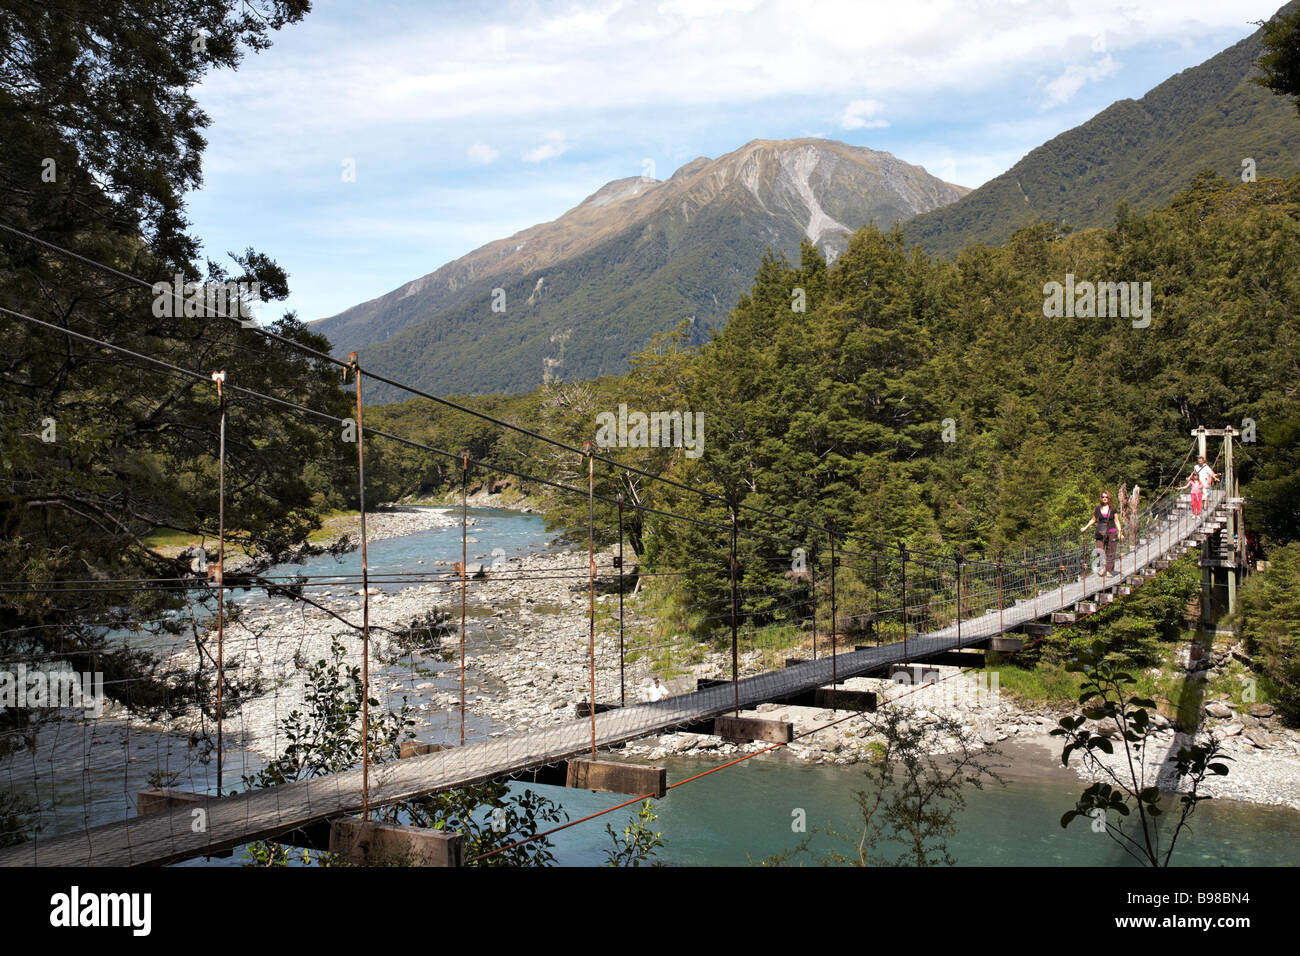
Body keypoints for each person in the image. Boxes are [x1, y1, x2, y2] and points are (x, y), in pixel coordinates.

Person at [1081, 490, 1124, 575]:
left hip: (1112, 532)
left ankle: (1108, 570)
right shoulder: (1098, 509)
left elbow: (1116, 521)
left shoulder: (1113, 509)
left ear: (1109, 498)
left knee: (1111, 551)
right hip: (1100, 533)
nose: (1104, 498)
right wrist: (1086, 527)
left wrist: (1120, 532)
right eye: (1103, 497)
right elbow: (1093, 519)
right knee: (1100, 550)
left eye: (1106, 497)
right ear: (1101, 498)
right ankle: (1103, 567)